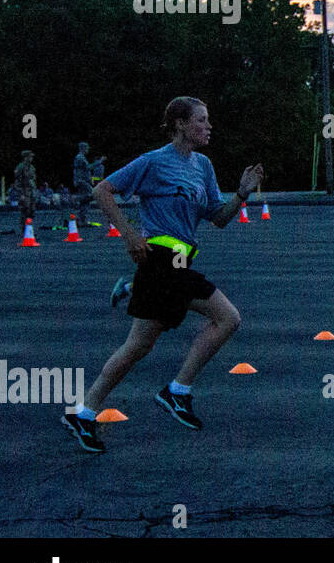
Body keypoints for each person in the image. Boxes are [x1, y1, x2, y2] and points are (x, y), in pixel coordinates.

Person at [64, 97, 263, 454]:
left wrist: (243, 194)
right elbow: (102, 190)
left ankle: (84, 412)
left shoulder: (203, 166)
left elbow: (218, 217)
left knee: (137, 346)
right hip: (160, 260)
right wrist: (129, 235)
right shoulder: (154, 162)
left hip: (179, 262)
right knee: (227, 317)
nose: (209, 126)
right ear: (181, 124)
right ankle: (177, 391)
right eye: (202, 120)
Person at [14, 150, 37, 227]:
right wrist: (21, 194)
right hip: (24, 191)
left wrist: (35, 191)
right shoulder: (20, 167)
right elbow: (18, 182)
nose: (32, 158)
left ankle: (30, 228)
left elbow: (33, 180)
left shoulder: (32, 167)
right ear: (25, 157)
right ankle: (24, 230)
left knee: (32, 211)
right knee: (25, 210)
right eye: (30, 157)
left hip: (31, 191)